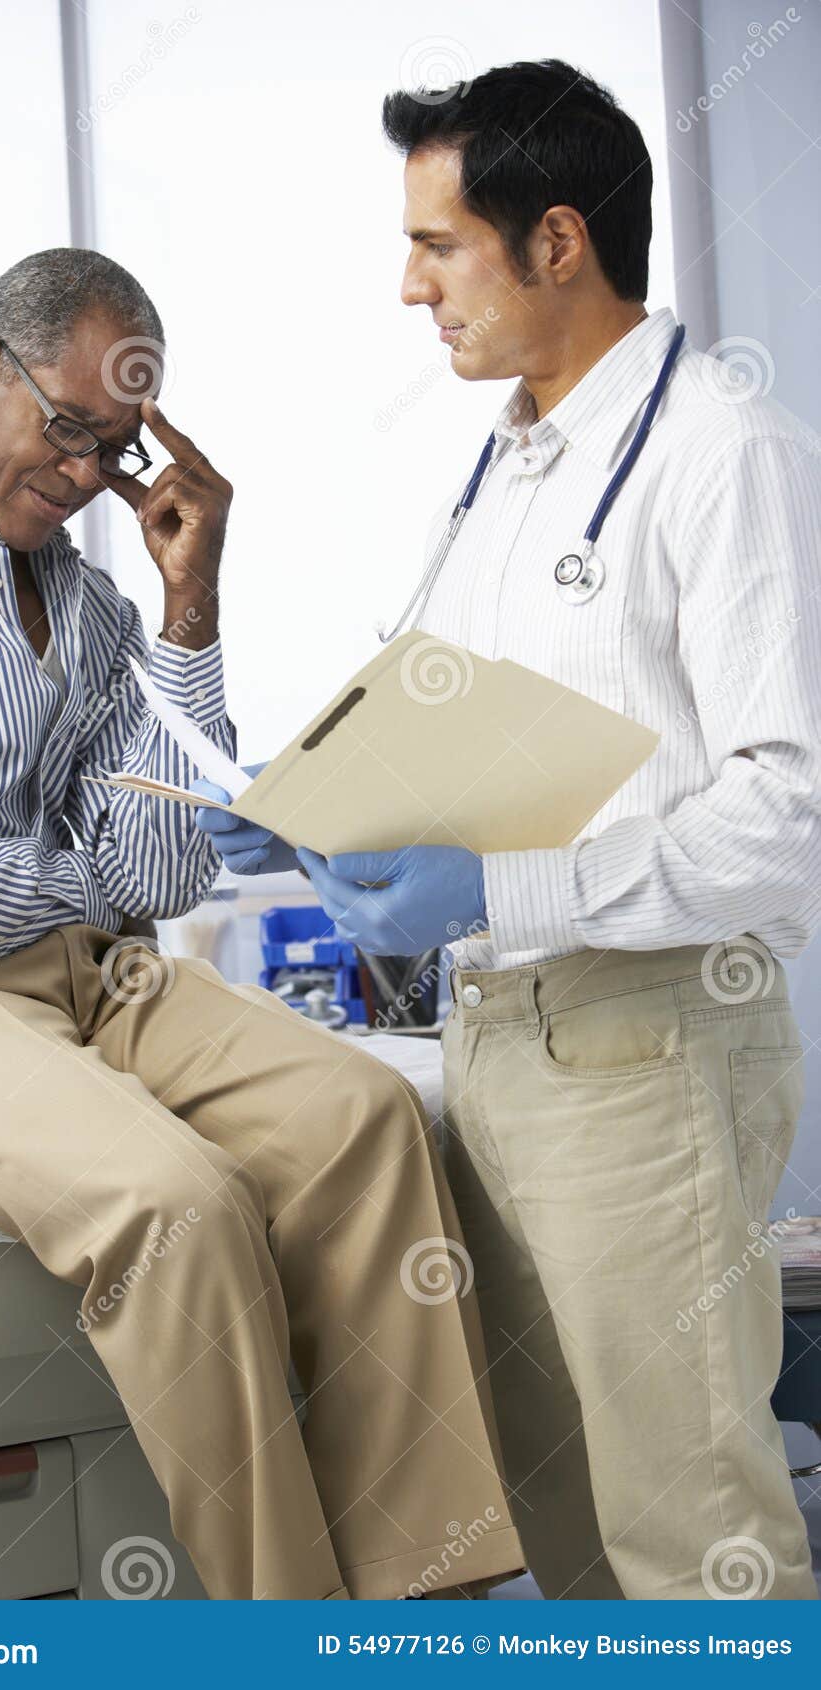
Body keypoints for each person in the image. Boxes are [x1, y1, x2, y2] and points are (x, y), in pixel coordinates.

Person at [0, 248, 526, 1601]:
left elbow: (164, 869)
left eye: (116, 451)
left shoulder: (98, 604)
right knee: (180, 1201)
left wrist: (189, 602)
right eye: (68, 427)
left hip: (82, 974)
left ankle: (425, 1594)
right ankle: (283, 1631)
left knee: (365, 1121)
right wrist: (89, 874)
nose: (84, 475)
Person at [194, 61, 821, 1600]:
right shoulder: (506, 470)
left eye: (438, 245)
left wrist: (505, 880)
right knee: (558, 1522)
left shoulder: (723, 449)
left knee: (690, 1534)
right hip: (497, 1043)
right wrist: (320, 805)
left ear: (557, 241)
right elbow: (463, 730)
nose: (410, 289)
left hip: (646, 1038)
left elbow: (790, 810)